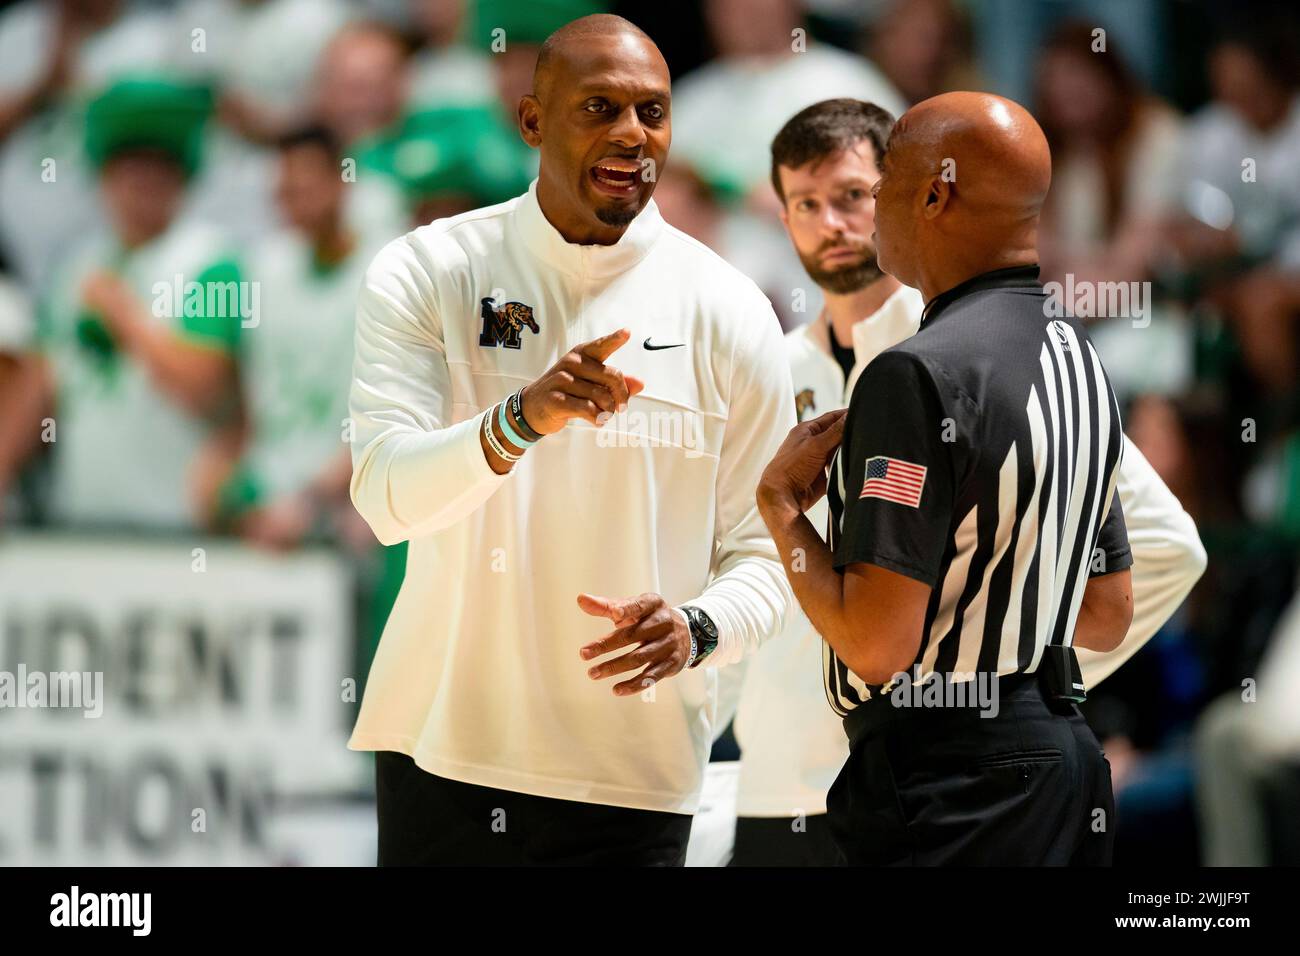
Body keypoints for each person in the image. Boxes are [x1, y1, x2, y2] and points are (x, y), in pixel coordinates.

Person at [347, 14, 794, 866]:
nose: (633, 134)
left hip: (633, 775)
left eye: (652, 112)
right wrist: (519, 421)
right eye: (599, 108)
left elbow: (771, 553)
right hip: (443, 751)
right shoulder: (427, 271)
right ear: (531, 121)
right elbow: (384, 498)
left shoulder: (731, 310)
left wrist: (702, 626)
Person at [726, 98, 1205, 865]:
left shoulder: (915, 371)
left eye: (877, 190)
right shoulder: (1081, 359)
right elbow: (1108, 611)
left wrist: (784, 511)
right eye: (807, 203)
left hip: (945, 783)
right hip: (1063, 764)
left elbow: (877, 649)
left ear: (933, 195)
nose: (865, 212)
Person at [25, 76, 244, 531]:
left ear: (181, 179)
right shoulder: (78, 263)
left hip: (175, 519)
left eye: (157, 169)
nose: (141, 184)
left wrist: (126, 317)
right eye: (127, 169)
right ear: (104, 178)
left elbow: (209, 389)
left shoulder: (213, 260)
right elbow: (43, 382)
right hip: (80, 513)